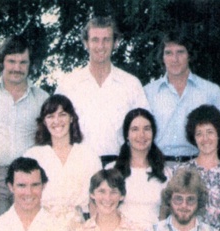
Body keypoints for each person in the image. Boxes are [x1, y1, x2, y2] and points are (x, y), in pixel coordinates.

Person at [0, 35, 49, 215]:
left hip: (29, 178)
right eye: (11, 61)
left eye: (23, 62)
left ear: (30, 64)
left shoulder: (42, 98)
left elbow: (46, 139)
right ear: (2, 62)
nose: (17, 68)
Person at [55, 16, 149, 163]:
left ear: (115, 43)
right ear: (86, 43)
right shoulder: (68, 84)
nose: (101, 46)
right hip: (78, 166)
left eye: (106, 39)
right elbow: (54, 127)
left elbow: (145, 129)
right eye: (95, 40)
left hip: (119, 167)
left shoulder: (131, 84)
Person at [144, 33, 220, 165]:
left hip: (200, 166)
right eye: (168, 53)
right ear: (162, 57)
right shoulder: (148, 92)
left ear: (190, 55)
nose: (175, 59)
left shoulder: (211, 91)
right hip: (158, 167)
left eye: (180, 52)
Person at [24, 94, 102, 231]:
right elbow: (24, 199)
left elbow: (96, 201)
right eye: (50, 116)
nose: (57, 121)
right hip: (41, 228)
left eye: (62, 114)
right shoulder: (32, 156)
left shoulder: (88, 155)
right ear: (44, 122)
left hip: (77, 228)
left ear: (71, 118)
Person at [114, 108, 170, 227]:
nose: (141, 135)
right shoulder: (113, 170)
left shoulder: (166, 172)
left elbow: (166, 212)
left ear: (153, 133)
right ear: (127, 135)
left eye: (147, 129)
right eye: (135, 129)